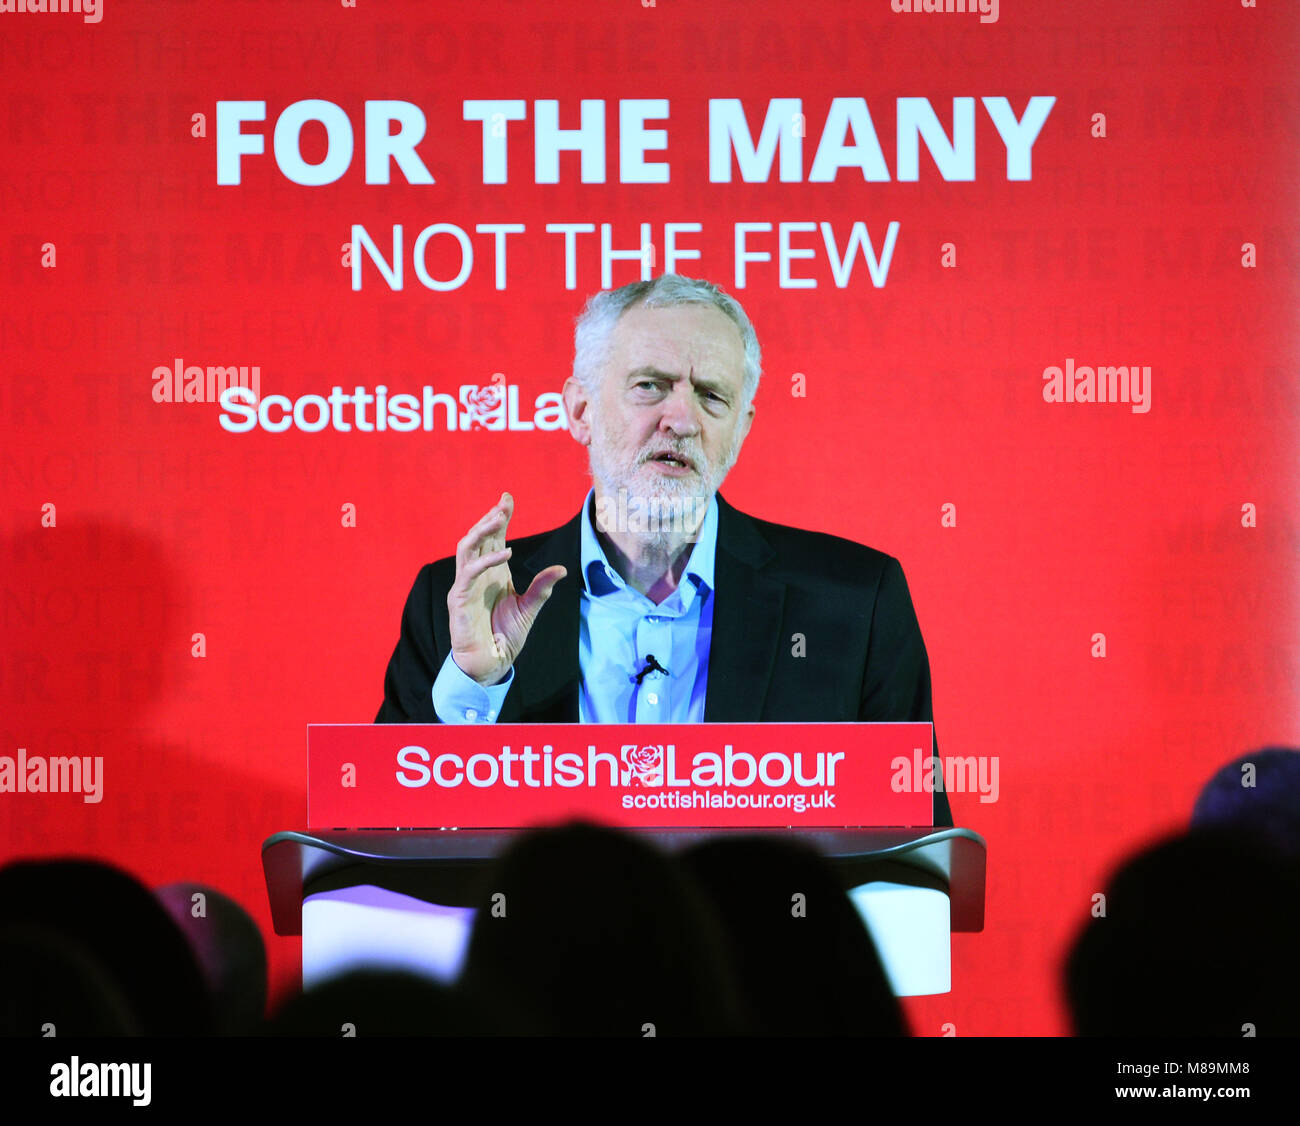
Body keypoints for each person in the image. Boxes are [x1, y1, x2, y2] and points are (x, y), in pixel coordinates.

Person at [376, 275, 952, 826]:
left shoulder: (854, 604)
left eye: (711, 396)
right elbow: (377, 847)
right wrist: (475, 686)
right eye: (650, 385)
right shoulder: (462, 603)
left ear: (741, 429)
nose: (680, 419)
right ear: (580, 411)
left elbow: (915, 860)